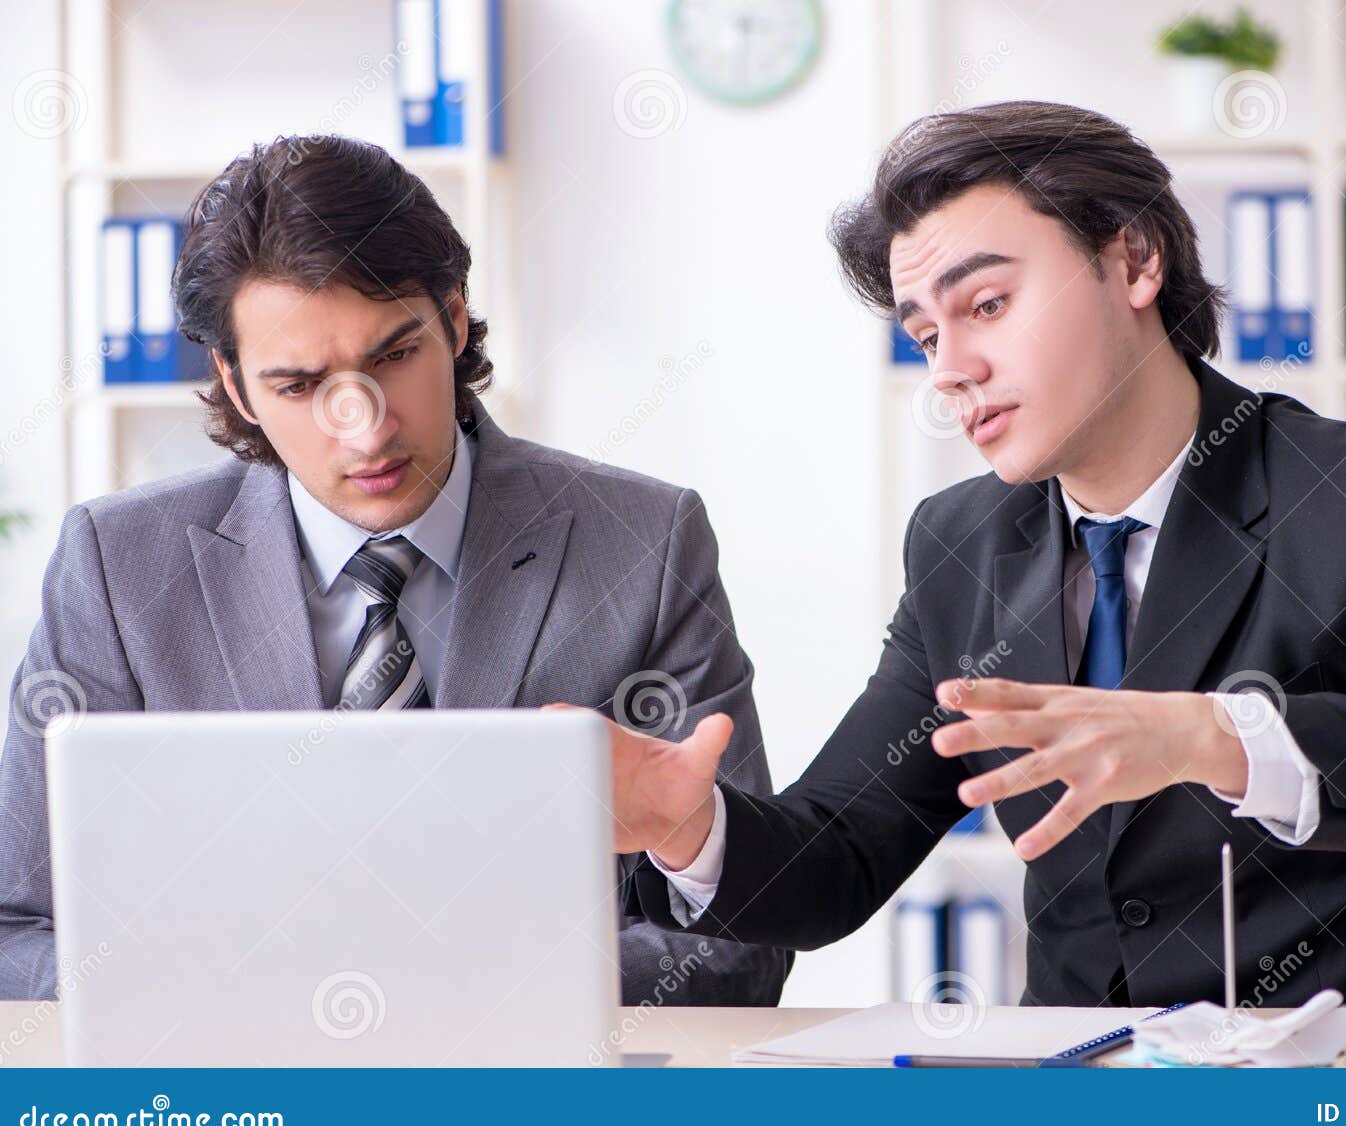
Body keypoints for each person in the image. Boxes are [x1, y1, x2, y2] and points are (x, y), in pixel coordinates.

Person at [606, 101, 1346, 1008]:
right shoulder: (960, 545)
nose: (949, 369)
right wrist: (686, 827)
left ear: (1133, 260)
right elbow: (846, 849)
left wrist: (1206, 737)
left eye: (985, 304)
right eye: (927, 334)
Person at [0, 135, 789, 1006]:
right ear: (233, 382)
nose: (365, 430)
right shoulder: (118, 569)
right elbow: (18, 929)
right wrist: (213, 1004)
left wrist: (442, 998)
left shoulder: (641, 542)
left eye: (393, 356)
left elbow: (742, 941)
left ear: (453, 320)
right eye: (299, 386)